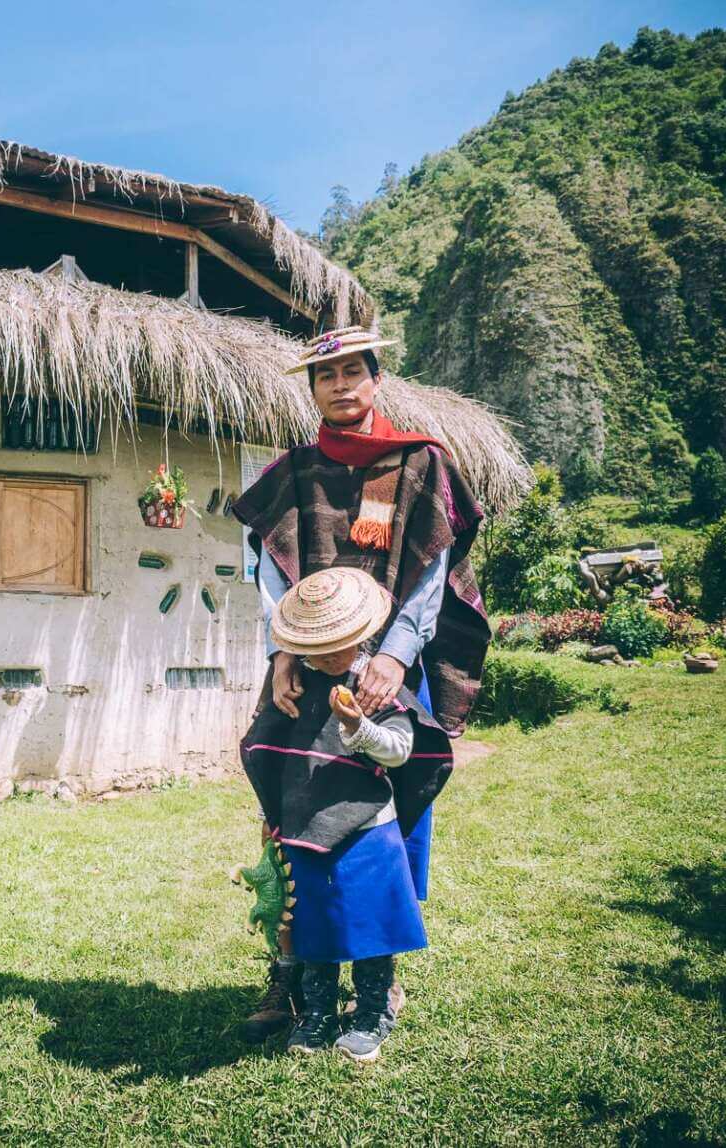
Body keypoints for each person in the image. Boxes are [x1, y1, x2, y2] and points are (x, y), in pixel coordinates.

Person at [231, 325, 492, 1044]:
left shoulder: (418, 464)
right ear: (311, 390)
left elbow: (431, 569)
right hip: (304, 669)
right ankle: (290, 979)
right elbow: (272, 573)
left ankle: (382, 977)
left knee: (388, 818)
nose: (341, 386)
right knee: (292, 816)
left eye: (354, 372)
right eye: (326, 376)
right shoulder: (294, 474)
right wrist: (282, 653)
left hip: (391, 673)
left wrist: (397, 658)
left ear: (377, 380)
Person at [239, 566, 454, 1060]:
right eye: (317, 644)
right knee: (313, 925)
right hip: (304, 827)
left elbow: (399, 750)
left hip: (367, 827)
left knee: (370, 924)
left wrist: (359, 727)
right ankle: (315, 1014)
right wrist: (275, 813)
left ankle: (372, 1011)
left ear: (362, 634)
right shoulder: (291, 686)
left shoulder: (376, 687)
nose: (328, 654)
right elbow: (266, 746)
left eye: (339, 641)